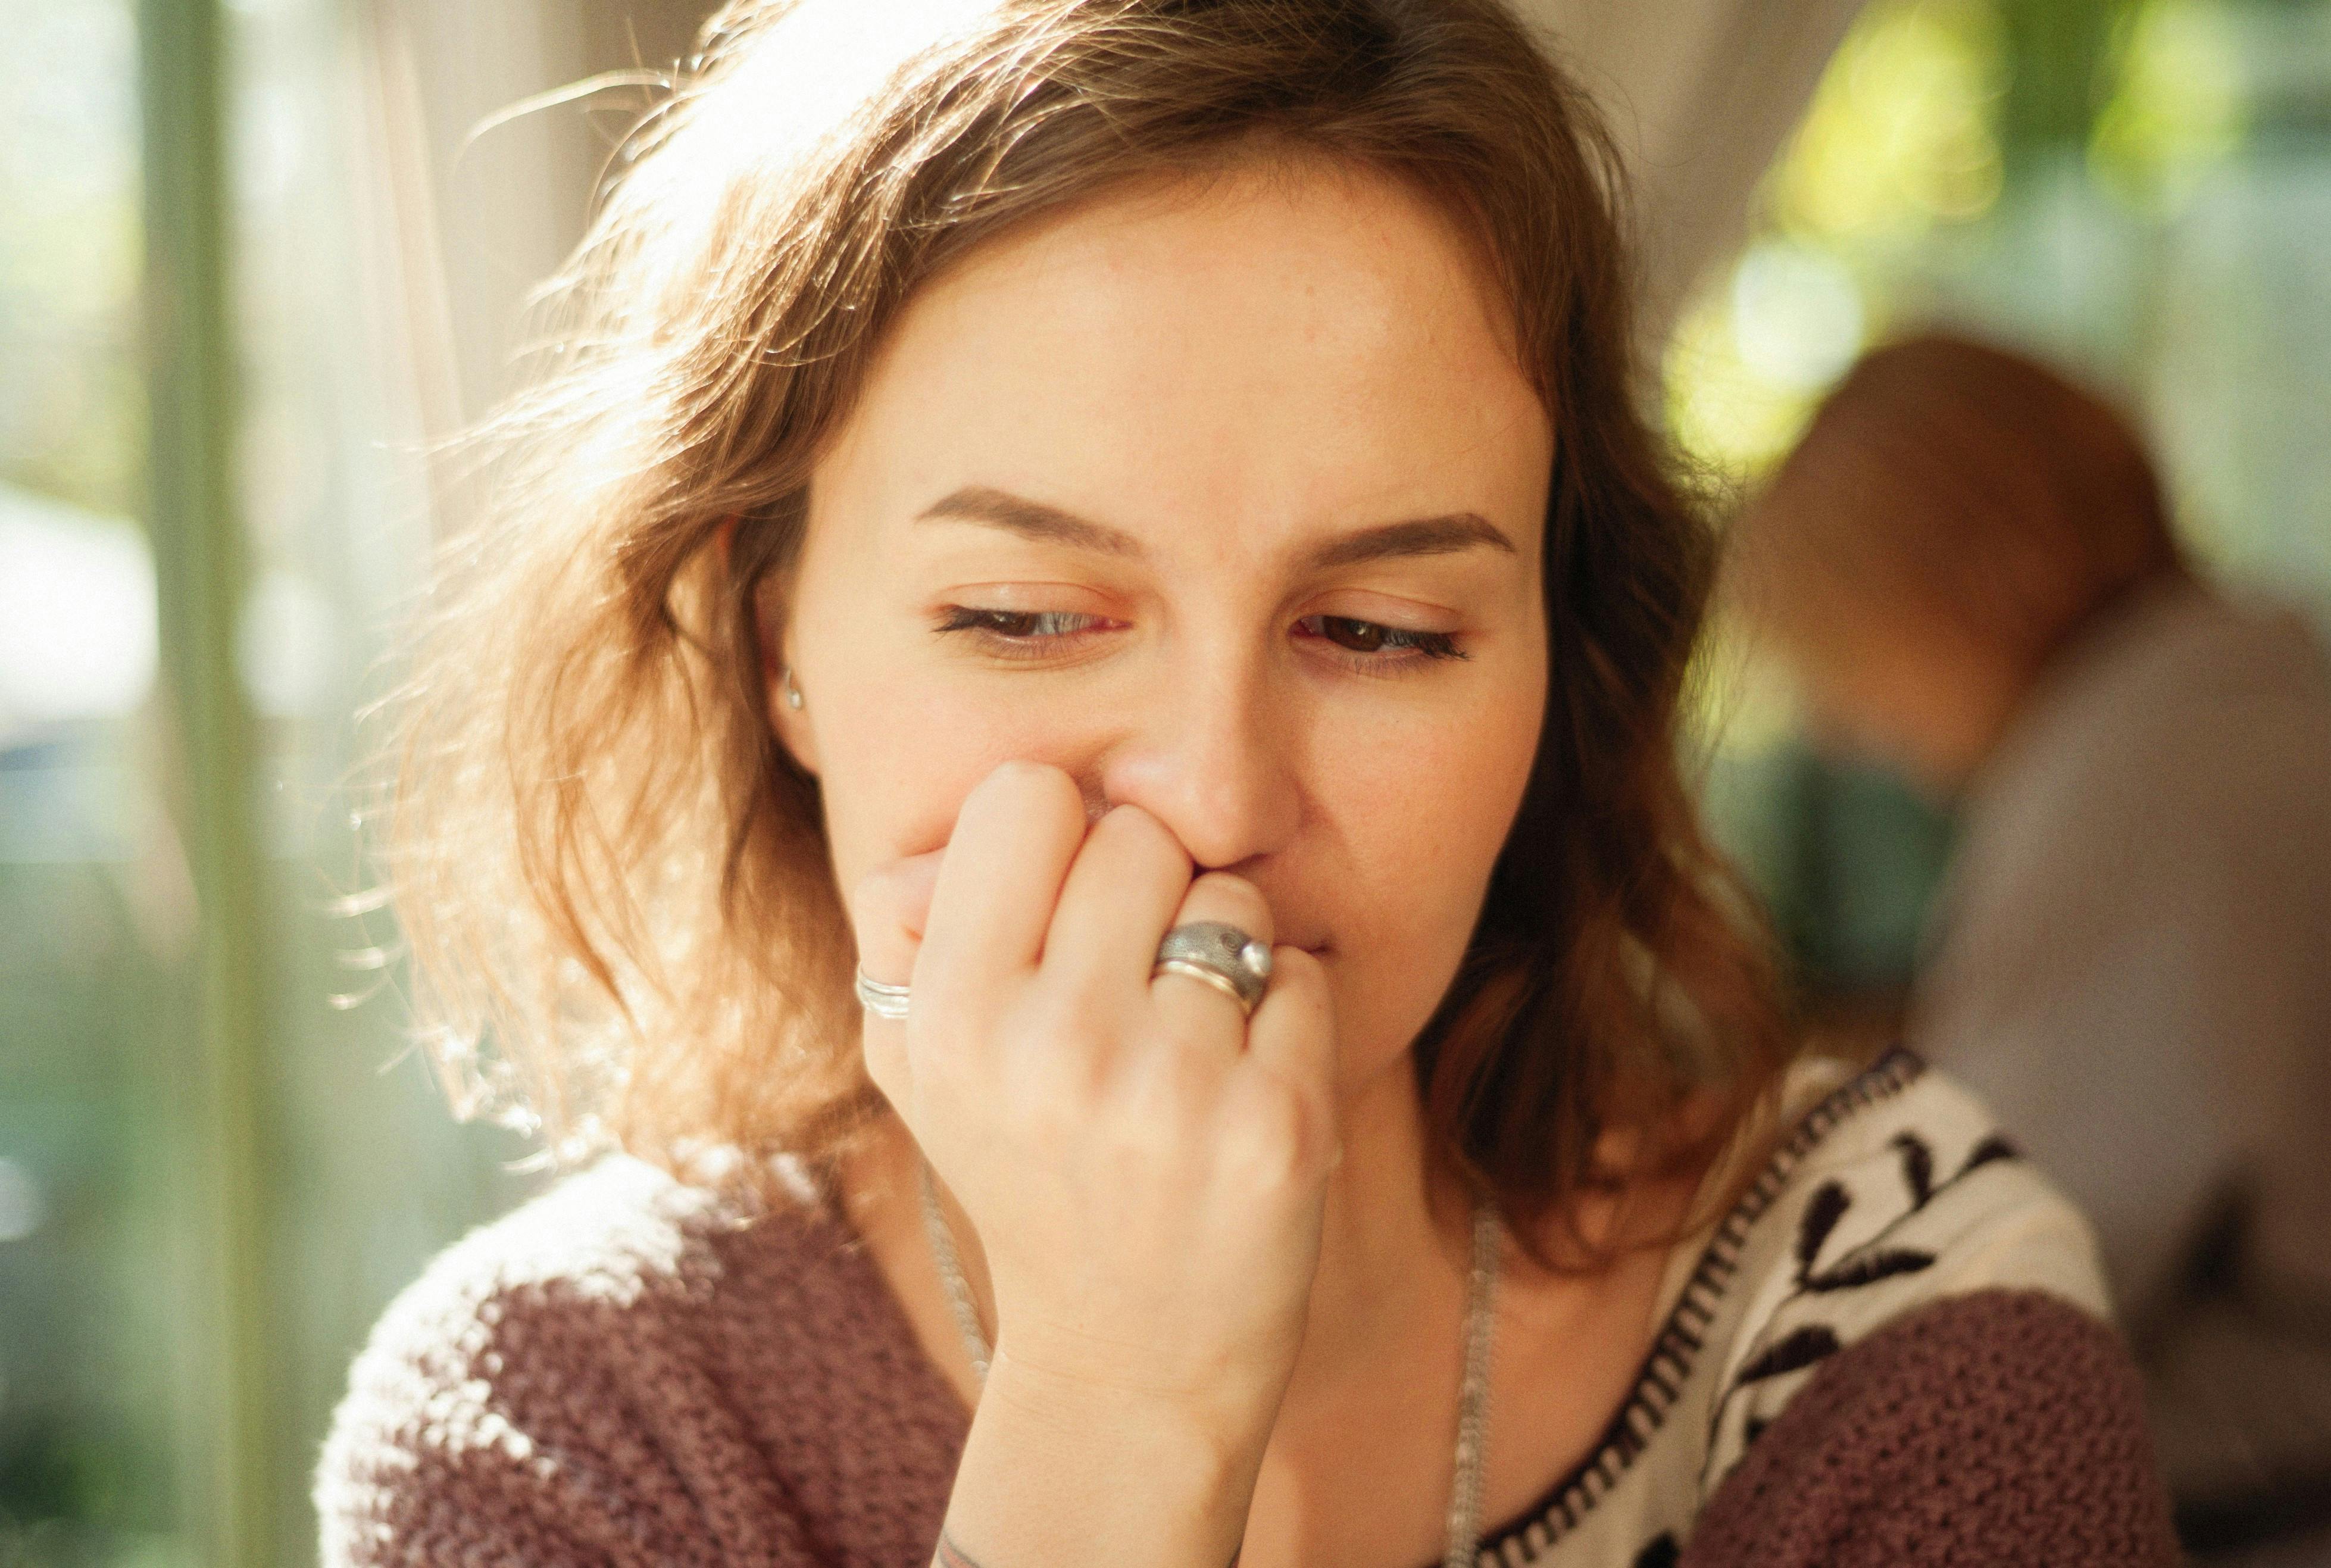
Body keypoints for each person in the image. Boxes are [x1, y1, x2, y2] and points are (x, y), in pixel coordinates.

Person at [315, 8, 2176, 1566]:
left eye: (1378, 632)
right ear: (775, 637)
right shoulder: (560, 1433)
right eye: (1030, 614)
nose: (1213, 795)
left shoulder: (1887, 1316)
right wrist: (1121, 1414)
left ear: (1564, 659)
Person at [1727, 332, 2331, 1535]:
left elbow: (1990, 1264)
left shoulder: (2137, 784)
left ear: (1953, 583)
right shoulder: (2245, 687)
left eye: (1847, 652)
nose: (1850, 725)